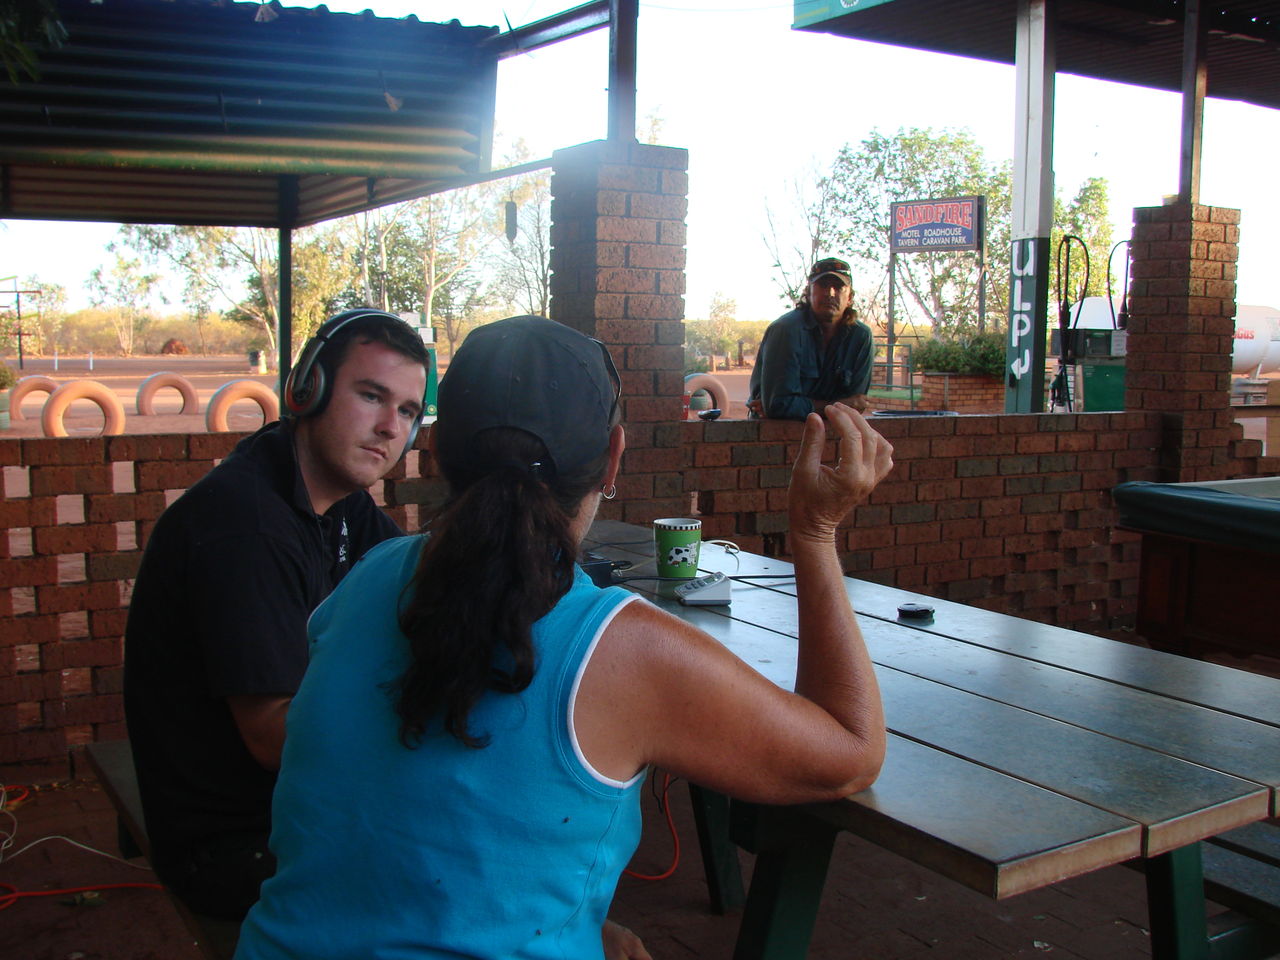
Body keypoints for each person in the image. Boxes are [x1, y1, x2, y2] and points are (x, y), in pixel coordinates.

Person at [234, 315, 894, 960]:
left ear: (432, 452)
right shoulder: (623, 649)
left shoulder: (368, 579)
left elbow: (403, 812)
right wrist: (814, 532)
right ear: (613, 459)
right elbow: (851, 753)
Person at [123, 310, 430, 929]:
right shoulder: (247, 526)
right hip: (232, 840)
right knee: (456, 879)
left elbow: (420, 587)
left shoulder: (341, 504)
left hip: (297, 806)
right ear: (306, 389)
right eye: (370, 396)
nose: (387, 427)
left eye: (407, 411)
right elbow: (272, 738)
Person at [748, 256, 874, 419]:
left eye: (838, 287)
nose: (830, 293)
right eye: (822, 285)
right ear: (808, 293)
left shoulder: (861, 337)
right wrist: (839, 406)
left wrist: (800, 406)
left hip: (833, 436)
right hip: (776, 436)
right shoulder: (786, 330)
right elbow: (779, 406)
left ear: (849, 297)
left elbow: (857, 406)